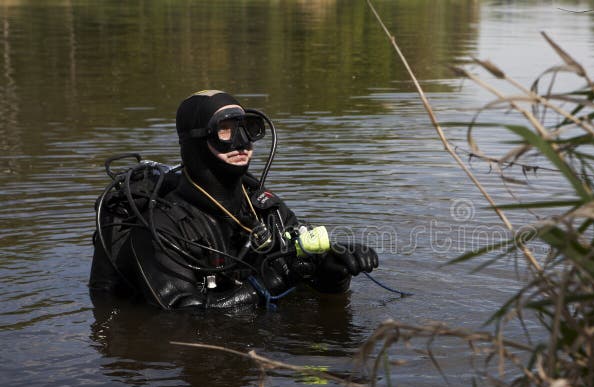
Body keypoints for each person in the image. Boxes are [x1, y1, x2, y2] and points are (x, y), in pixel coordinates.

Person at [90, 90, 378, 309]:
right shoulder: (160, 229)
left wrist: (334, 274)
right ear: (196, 142)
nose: (241, 142)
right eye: (226, 130)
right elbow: (181, 319)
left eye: (248, 128)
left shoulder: (266, 209)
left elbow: (308, 284)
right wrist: (267, 285)